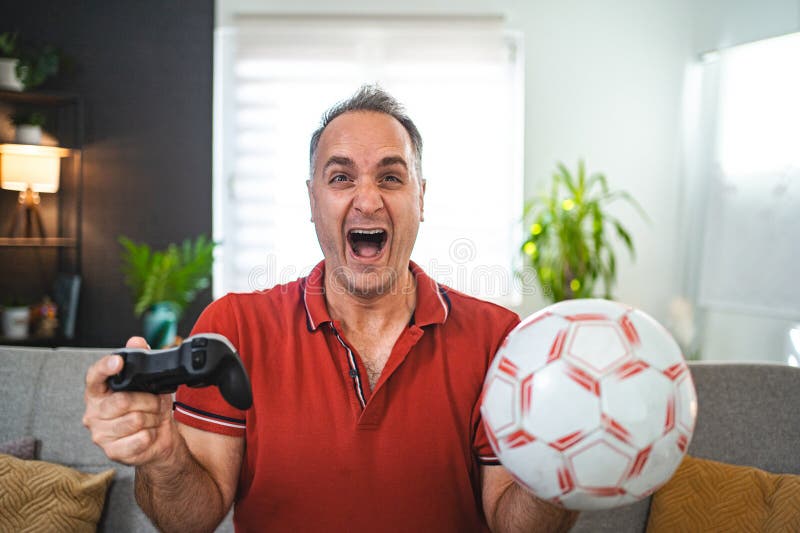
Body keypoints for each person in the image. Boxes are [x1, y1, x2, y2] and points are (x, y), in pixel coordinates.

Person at [83, 85, 578, 532]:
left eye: (391, 177)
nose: (367, 200)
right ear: (312, 199)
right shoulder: (234, 326)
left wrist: (568, 468)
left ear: (421, 198)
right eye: (341, 177)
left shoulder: (500, 339)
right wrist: (163, 456)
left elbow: (514, 524)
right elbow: (191, 519)